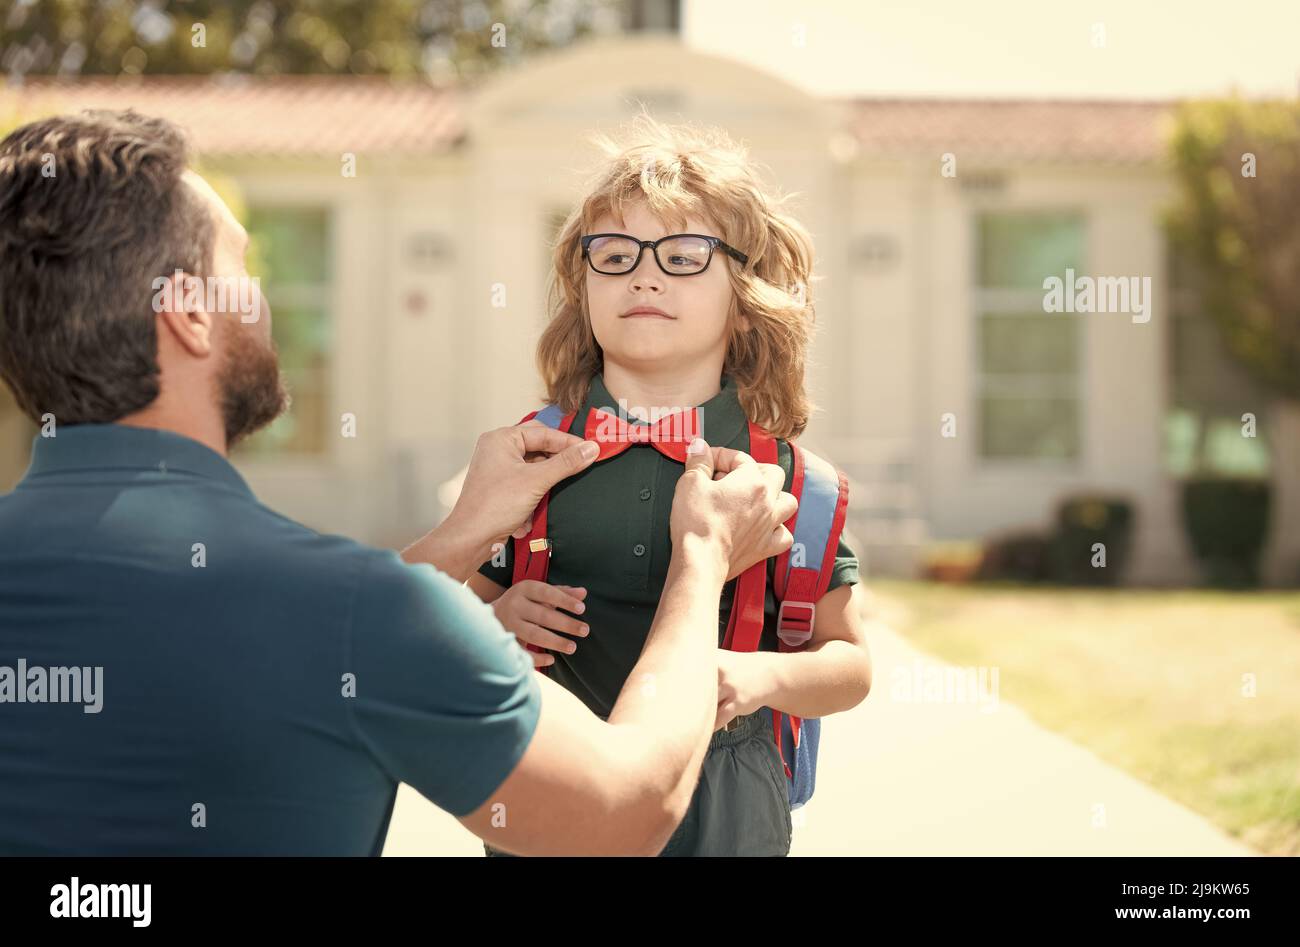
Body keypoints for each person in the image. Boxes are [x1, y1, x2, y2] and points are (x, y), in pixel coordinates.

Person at [0, 109, 797, 856]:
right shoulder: (356, 609)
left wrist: (457, 538)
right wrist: (701, 557)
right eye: (239, 263)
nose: (264, 297)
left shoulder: (347, 610)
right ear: (189, 315)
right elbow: (623, 812)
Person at [469, 116, 873, 856]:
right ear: (582, 289)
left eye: (684, 256)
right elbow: (446, 613)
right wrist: (495, 620)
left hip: (726, 789)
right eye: (613, 255)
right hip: (555, 766)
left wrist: (758, 676)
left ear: (744, 299)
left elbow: (849, 662)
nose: (644, 275)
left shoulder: (786, 478)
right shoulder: (529, 457)